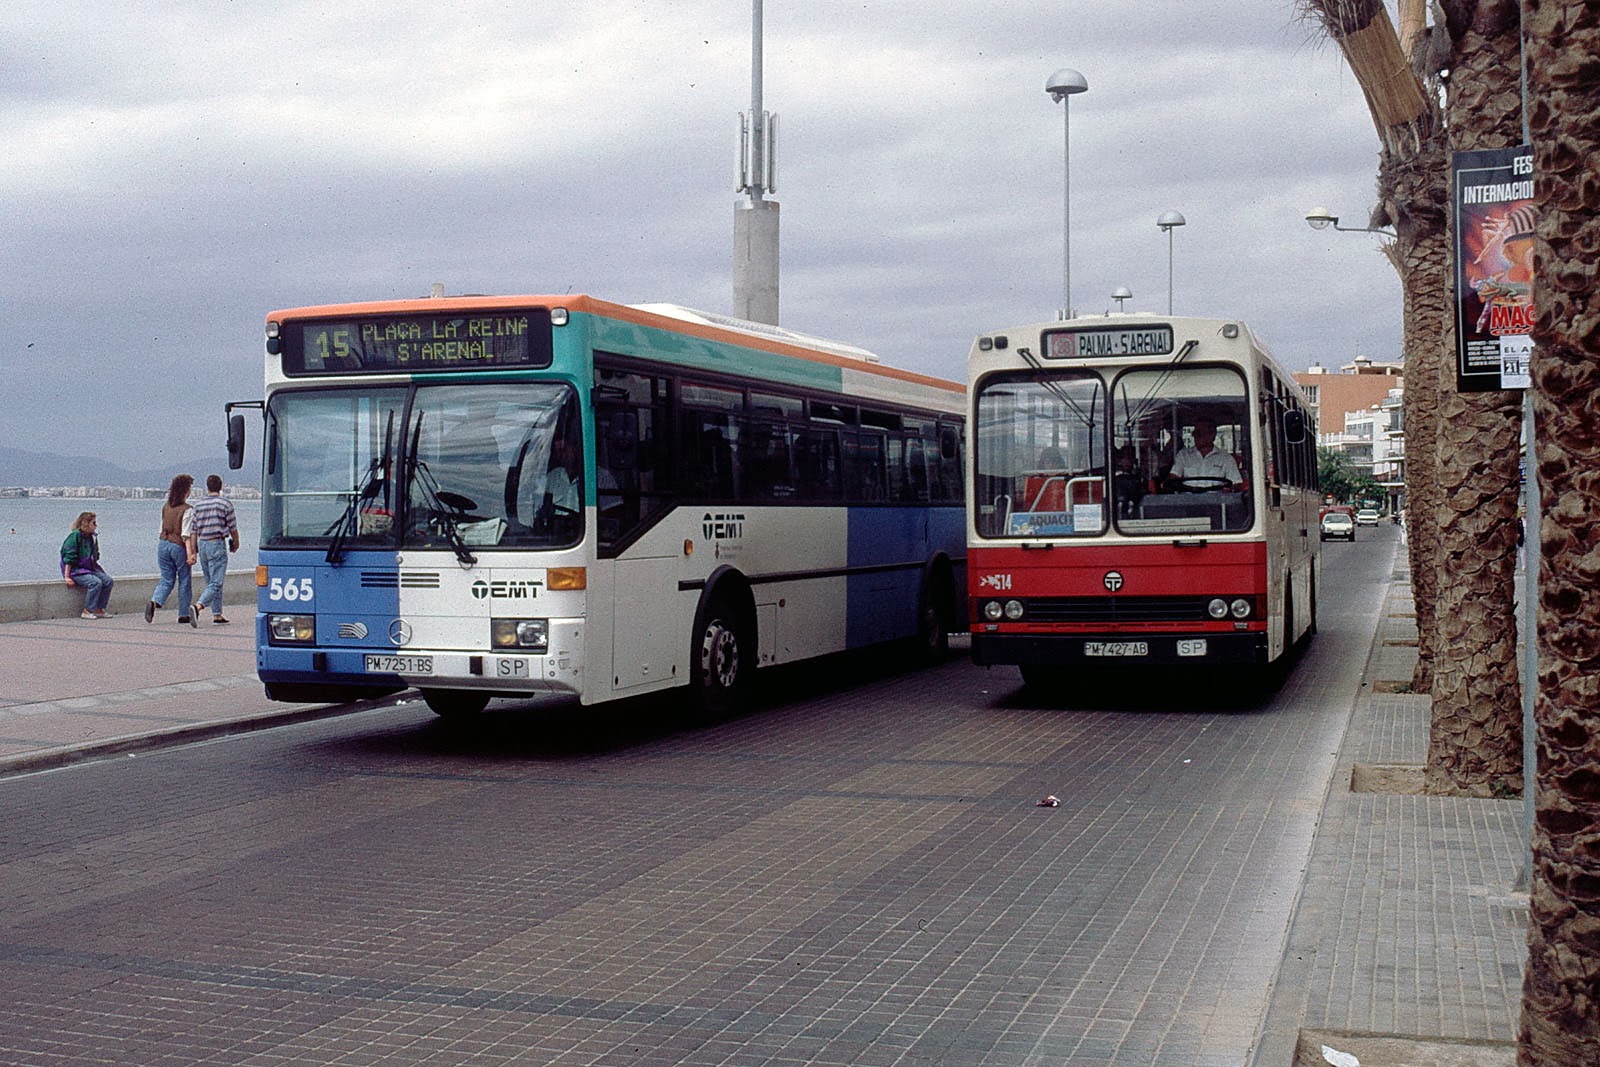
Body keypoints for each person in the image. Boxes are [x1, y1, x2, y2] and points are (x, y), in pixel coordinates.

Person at [147, 474, 198, 627]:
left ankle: (155, 601)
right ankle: (183, 614)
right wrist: (191, 554)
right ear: (185, 491)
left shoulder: (166, 507)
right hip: (178, 546)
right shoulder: (187, 510)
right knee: (184, 580)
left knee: (167, 578)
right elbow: (186, 535)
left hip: (163, 544)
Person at [189, 474, 239, 624]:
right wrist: (236, 543)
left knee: (211, 581)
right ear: (220, 486)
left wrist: (193, 551)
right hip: (216, 543)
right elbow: (233, 527)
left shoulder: (198, 505)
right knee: (216, 582)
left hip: (202, 543)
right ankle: (198, 606)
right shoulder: (225, 504)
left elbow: (193, 530)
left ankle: (217, 614)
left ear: (207, 487)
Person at [60, 511, 115, 619]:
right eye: (93, 523)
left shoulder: (91, 537)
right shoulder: (74, 536)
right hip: (76, 570)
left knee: (108, 581)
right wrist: (67, 577)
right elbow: (69, 558)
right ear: (86, 523)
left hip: (89, 568)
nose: (96, 526)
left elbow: (95, 556)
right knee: (95, 582)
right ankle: (87, 610)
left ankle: (99, 609)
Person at [1164, 416, 1242, 489]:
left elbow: (1235, 484)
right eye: (1194, 433)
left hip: (1217, 501)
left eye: (1199, 433)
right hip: (1187, 501)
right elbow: (1173, 478)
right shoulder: (1183, 455)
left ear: (1212, 435)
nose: (1194, 436)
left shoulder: (1226, 458)